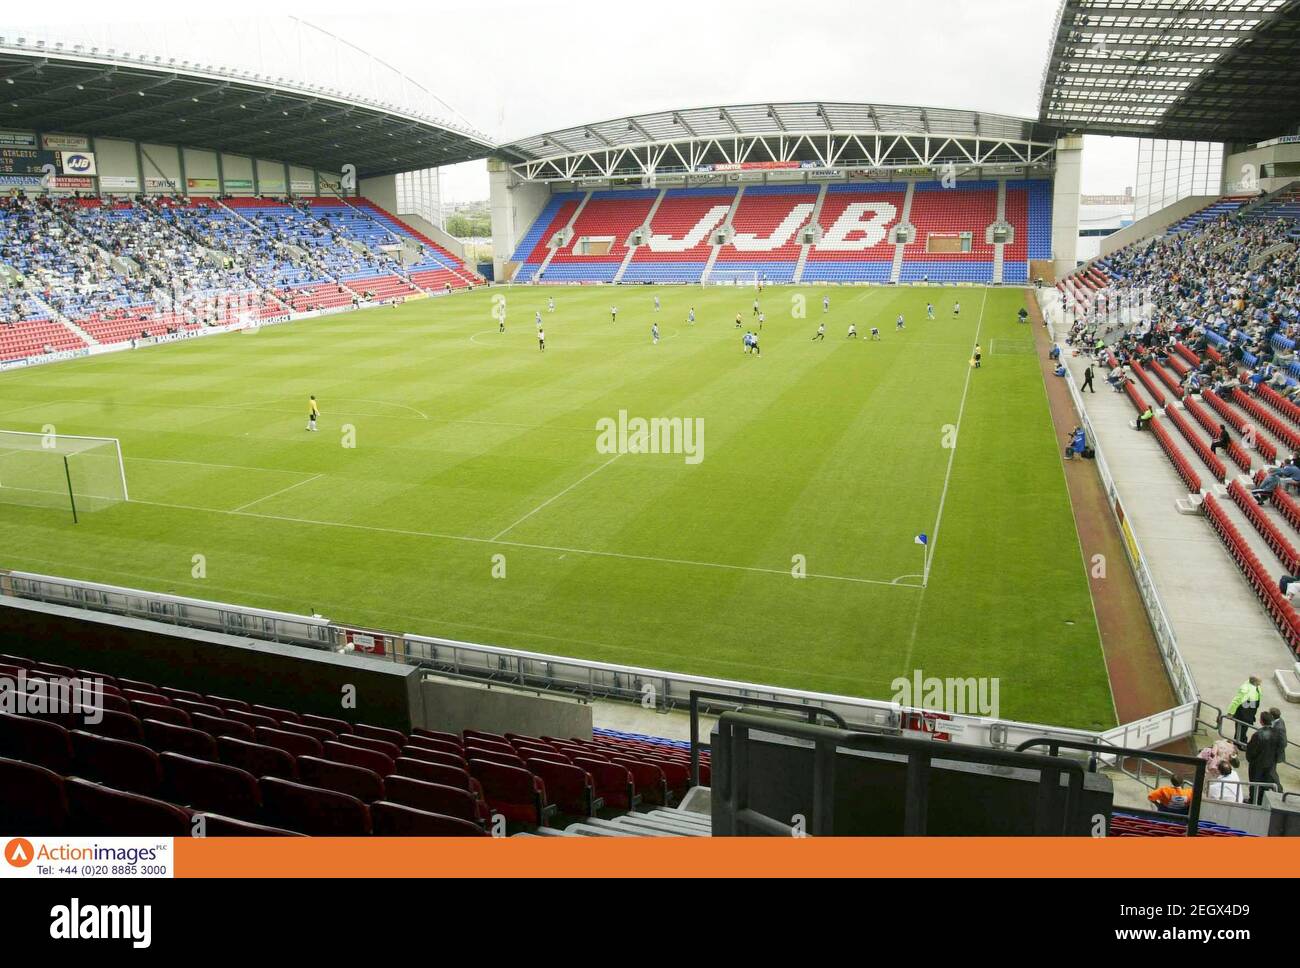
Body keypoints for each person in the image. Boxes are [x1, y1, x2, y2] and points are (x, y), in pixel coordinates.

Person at [1246, 710, 1282, 804]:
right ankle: (1261, 800)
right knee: (1265, 782)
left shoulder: (1258, 735)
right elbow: (1280, 748)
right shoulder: (1277, 734)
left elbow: (1251, 751)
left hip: (1258, 764)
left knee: (1255, 783)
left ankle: (1253, 800)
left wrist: (1251, 759)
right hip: (1270, 763)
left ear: (1261, 721)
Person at [1227, 675, 1262, 746]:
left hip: (1251, 707)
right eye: (1259, 681)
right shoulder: (1245, 689)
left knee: (1245, 726)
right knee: (1242, 726)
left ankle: (1240, 741)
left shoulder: (1256, 686)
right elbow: (1236, 701)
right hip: (1245, 708)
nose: (1261, 682)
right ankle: (1239, 743)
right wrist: (1230, 712)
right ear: (1255, 682)